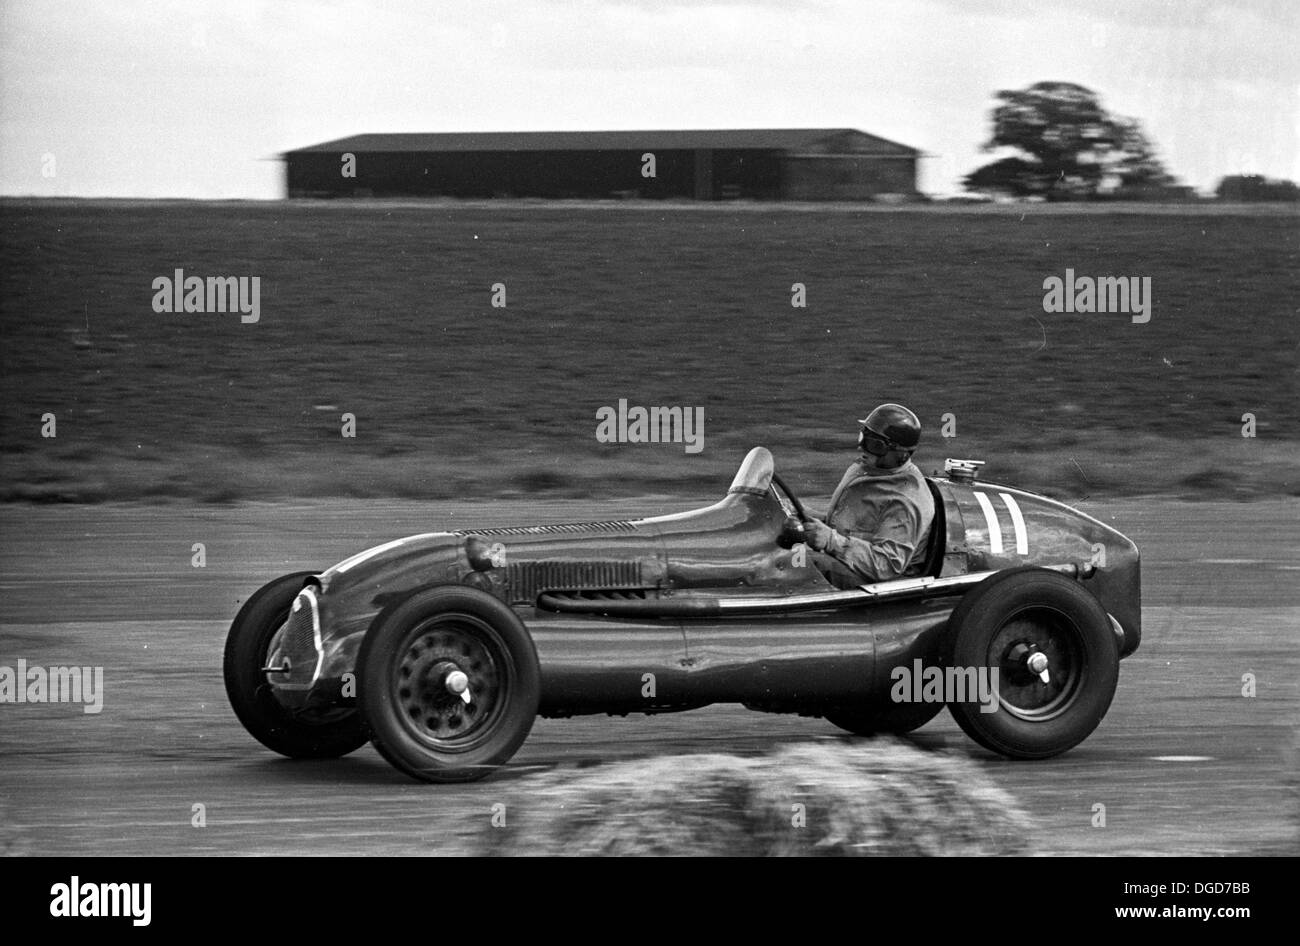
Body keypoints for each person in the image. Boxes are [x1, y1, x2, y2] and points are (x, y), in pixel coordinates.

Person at [801, 404, 936, 588]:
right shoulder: (870, 469)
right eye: (863, 437)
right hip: (854, 563)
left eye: (874, 444)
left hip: (883, 587)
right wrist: (805, 514)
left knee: (806, 563)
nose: (861, 447)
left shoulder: (906, 500)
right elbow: (848, 526)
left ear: (901, 455)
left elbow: (886, 565)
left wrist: (832, 541)